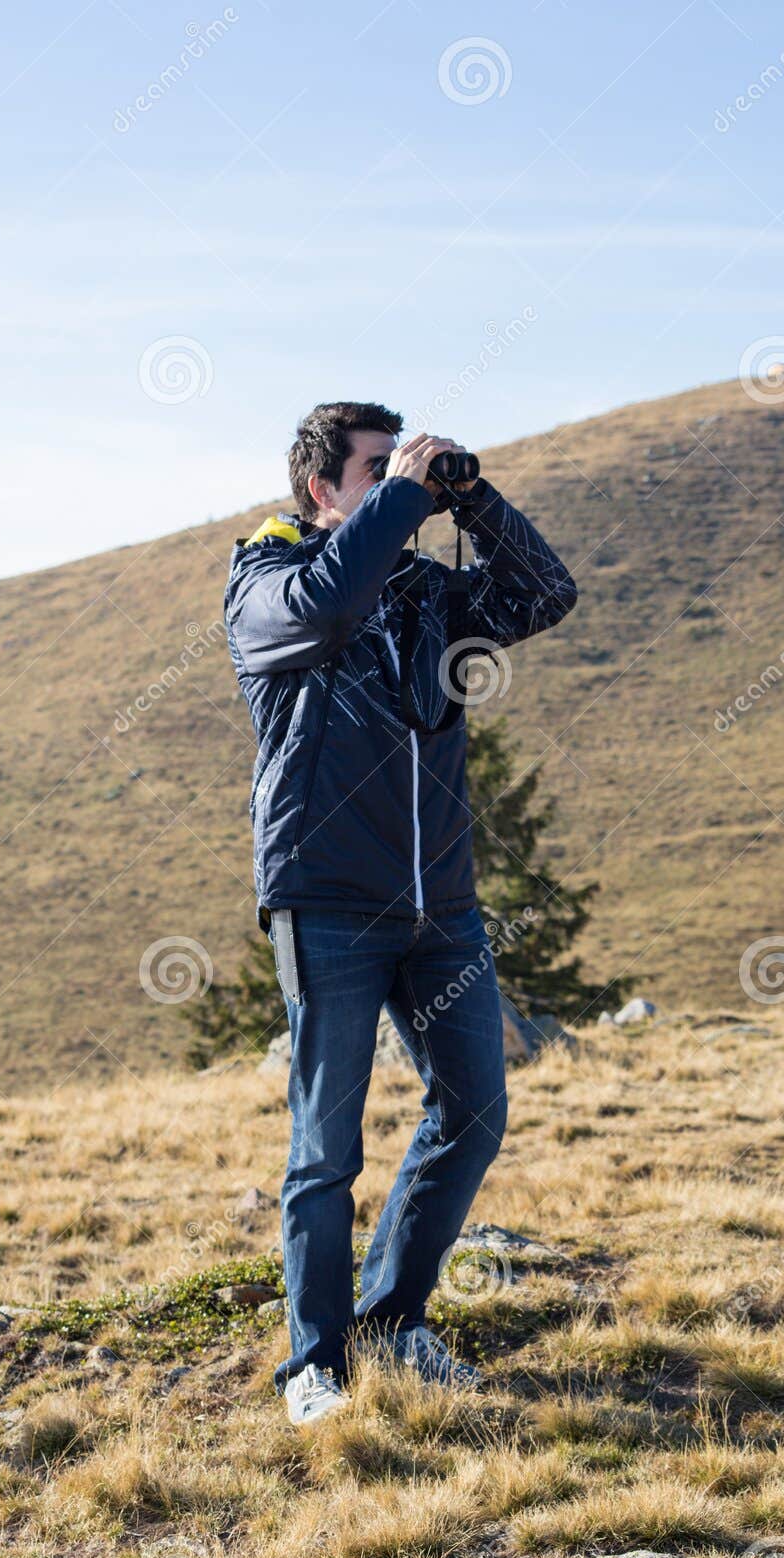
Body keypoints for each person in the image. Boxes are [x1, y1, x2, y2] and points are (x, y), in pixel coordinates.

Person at [223, 402, 577, 1425]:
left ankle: (391, 1322)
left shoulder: (424, 593)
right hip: (327, 898)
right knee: (324, 1148)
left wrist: (470, 497)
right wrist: (401, 503)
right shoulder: (265, 585)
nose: (399, 485)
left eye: (403, 465)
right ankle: (315, 1365)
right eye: (376, 471)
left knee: (472, 1109)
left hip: (441, 907)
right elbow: (329, 610)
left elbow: (543, 591)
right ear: (321, 490)